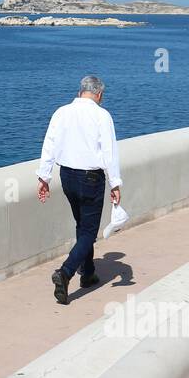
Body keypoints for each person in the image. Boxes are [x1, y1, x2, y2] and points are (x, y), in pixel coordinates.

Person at [36, 75, 122, 304]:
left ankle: (88, 272)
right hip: (91, 178)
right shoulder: (102, 115)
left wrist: (44, 177)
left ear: (80, 91)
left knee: (82, 226)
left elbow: (49, 144)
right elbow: (109, 152)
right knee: (89, 232)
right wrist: (115, 183)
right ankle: (65, 272)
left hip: (67, 176)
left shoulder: (61, 112)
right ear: (100, 94)